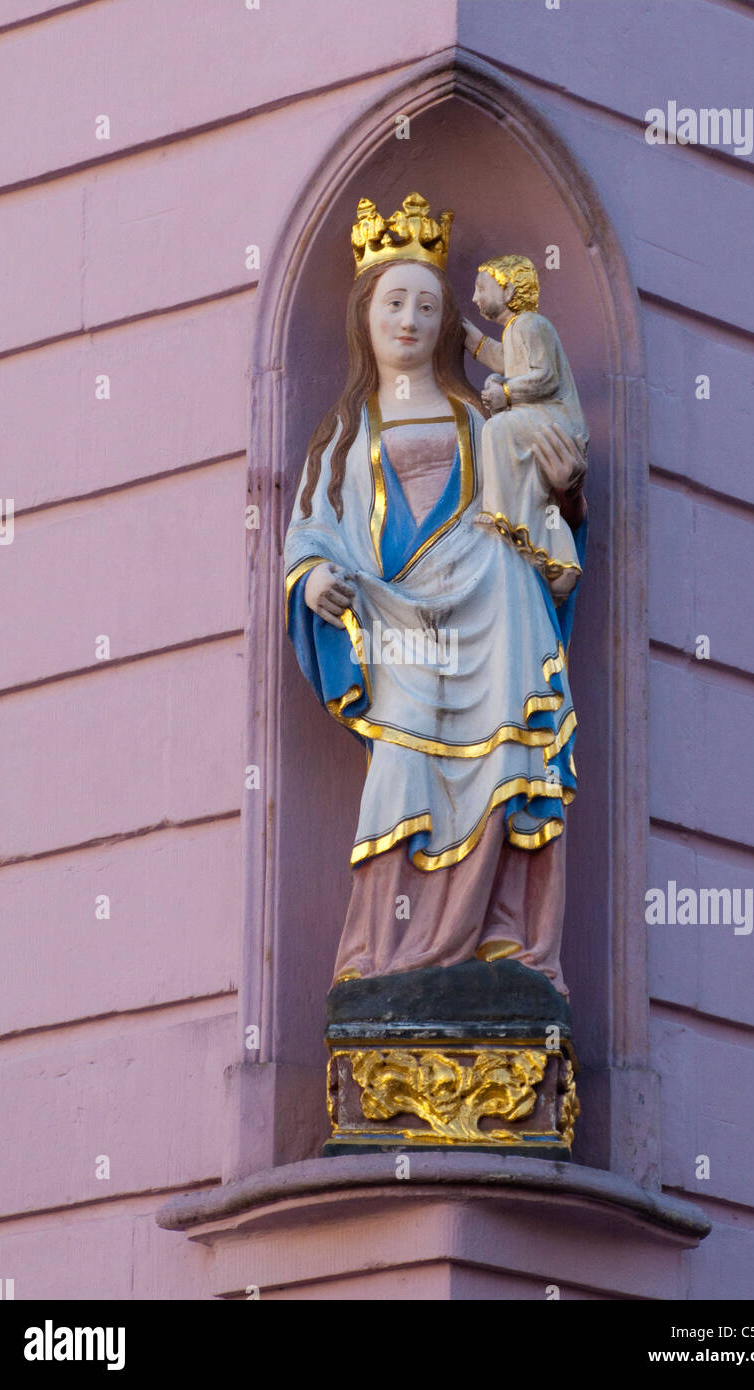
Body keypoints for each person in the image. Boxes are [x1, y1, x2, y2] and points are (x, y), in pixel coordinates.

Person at [284, 194, 587, 998]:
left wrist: (565, 489)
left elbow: (542, 507)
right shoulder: (347, 428)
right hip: (395, 625)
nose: (410, 318)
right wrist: (313, 577)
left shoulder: (480, 411)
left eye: (426, 303)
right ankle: (385, 954)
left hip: (495, 607)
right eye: (394, 302)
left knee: (506, 759)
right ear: (365, 317)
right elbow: (315, 524)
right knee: (403, 772)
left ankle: (504, 939)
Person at [463, 255, 588, 603]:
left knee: (497, 430)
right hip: (540, 419)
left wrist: (505, 392)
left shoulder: (530, 324)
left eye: (481, 288)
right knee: (536, 490)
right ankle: (549, 547)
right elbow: (505, 360)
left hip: (555, 421)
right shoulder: (516, 329)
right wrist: (465, 334)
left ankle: (500, 521)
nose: (475, 298)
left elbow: (544, 376)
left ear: (508, 290)